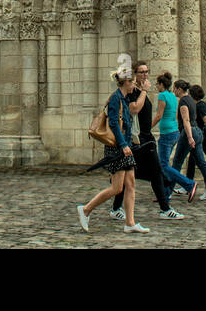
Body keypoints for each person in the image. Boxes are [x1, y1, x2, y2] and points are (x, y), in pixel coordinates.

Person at [109, 62, 186, 221]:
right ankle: (164, 209)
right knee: (151, 172)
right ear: (135, 74)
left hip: (145, 137)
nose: (145, 75)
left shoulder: (138, 90)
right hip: (137, 139)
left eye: (146, 72)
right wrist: (144, 91)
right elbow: (134, 109)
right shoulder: (131, 91)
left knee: (141, 173)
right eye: (141, 72)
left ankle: (117, 208)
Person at [77, 68, 149, 233]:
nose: (134, 86)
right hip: (118, 148)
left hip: (125, 146)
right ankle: (86, 209)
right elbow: (114, 124)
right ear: (126, 82)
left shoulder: (123, 98)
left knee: (130, 184)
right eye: (133, 83)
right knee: (117, 188)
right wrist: (123, 144)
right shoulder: (116, 98)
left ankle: (130, 223)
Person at [154, 72, 198, 205]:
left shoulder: (162, 95)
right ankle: (165, 194)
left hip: (166, 132)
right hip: (174, 132)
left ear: (162, 84)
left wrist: (146, 128)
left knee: (163, 165)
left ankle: (189, 184)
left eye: (157, 84)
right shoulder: (173, 96)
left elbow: (159, 115)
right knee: (166, 164)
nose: (156, 86)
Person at [171, 80, 206, 200]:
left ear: (180, 89)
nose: (173, 91)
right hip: (197, 131)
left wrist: (189, 137)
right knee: (201, 162)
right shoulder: (191, 100)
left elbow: (186, 120)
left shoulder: (183, 101)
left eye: (175, 88)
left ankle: (167, 191)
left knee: (177, 162)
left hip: (189, 133)